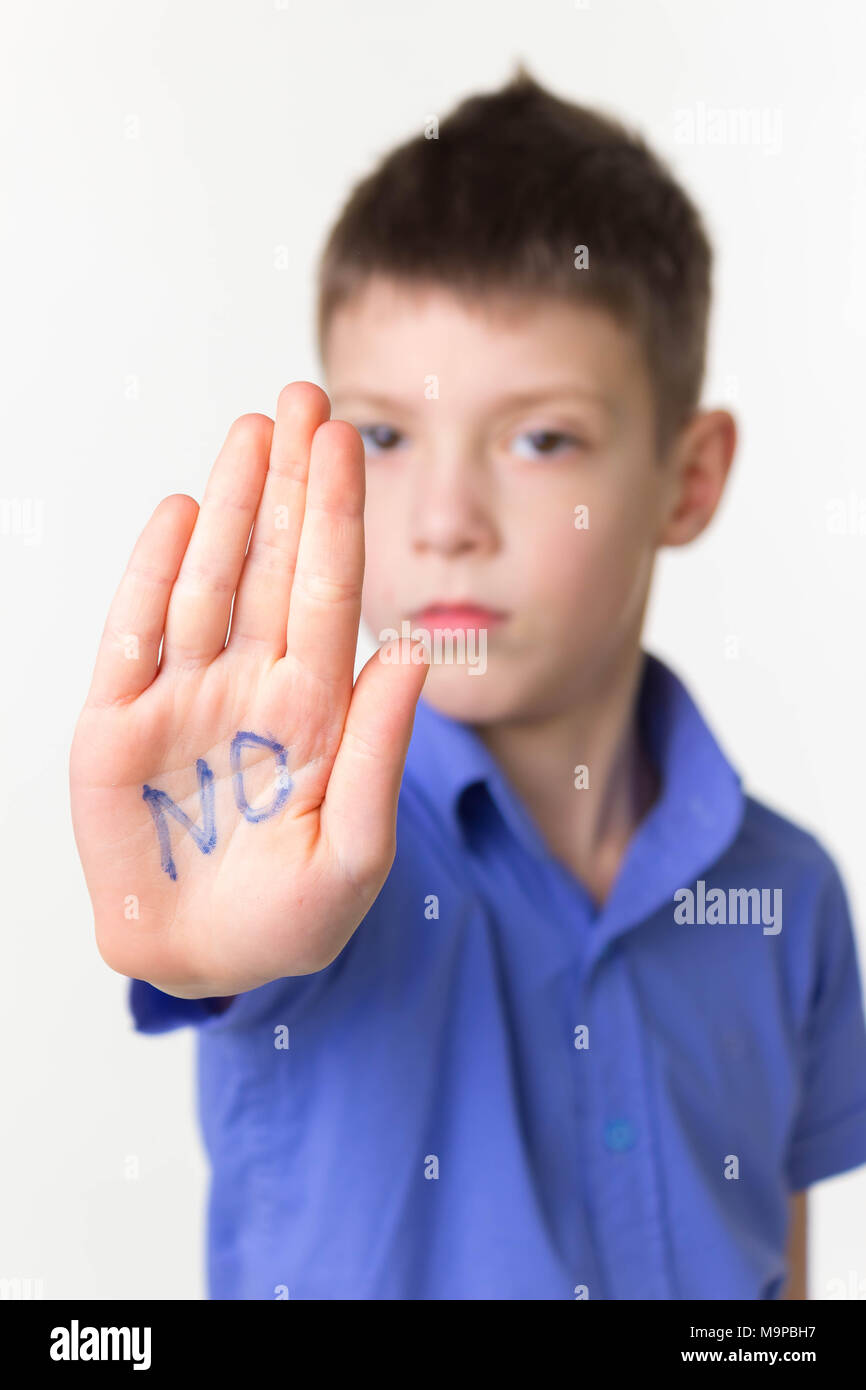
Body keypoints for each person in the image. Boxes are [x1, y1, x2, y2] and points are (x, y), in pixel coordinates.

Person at [70, 66, 866, 1299]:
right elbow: (218, 950)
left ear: (688, 476)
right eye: (384, 436)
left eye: (540, 438)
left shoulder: (788, 898)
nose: (444, 521)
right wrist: (192, 951)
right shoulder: (296, 844)